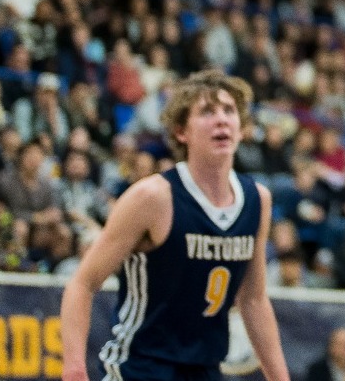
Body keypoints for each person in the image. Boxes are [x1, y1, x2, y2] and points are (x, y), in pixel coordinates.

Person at [60, 70, 289, 381]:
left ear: (241, 128)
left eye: (229, 110)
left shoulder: (256, 200)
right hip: (140, 368)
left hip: (205, 370)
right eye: (207, 111)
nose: (221, 119)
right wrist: (74, 370)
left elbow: (253, 299)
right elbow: (82, 283)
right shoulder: (152, 197)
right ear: (182, 132)